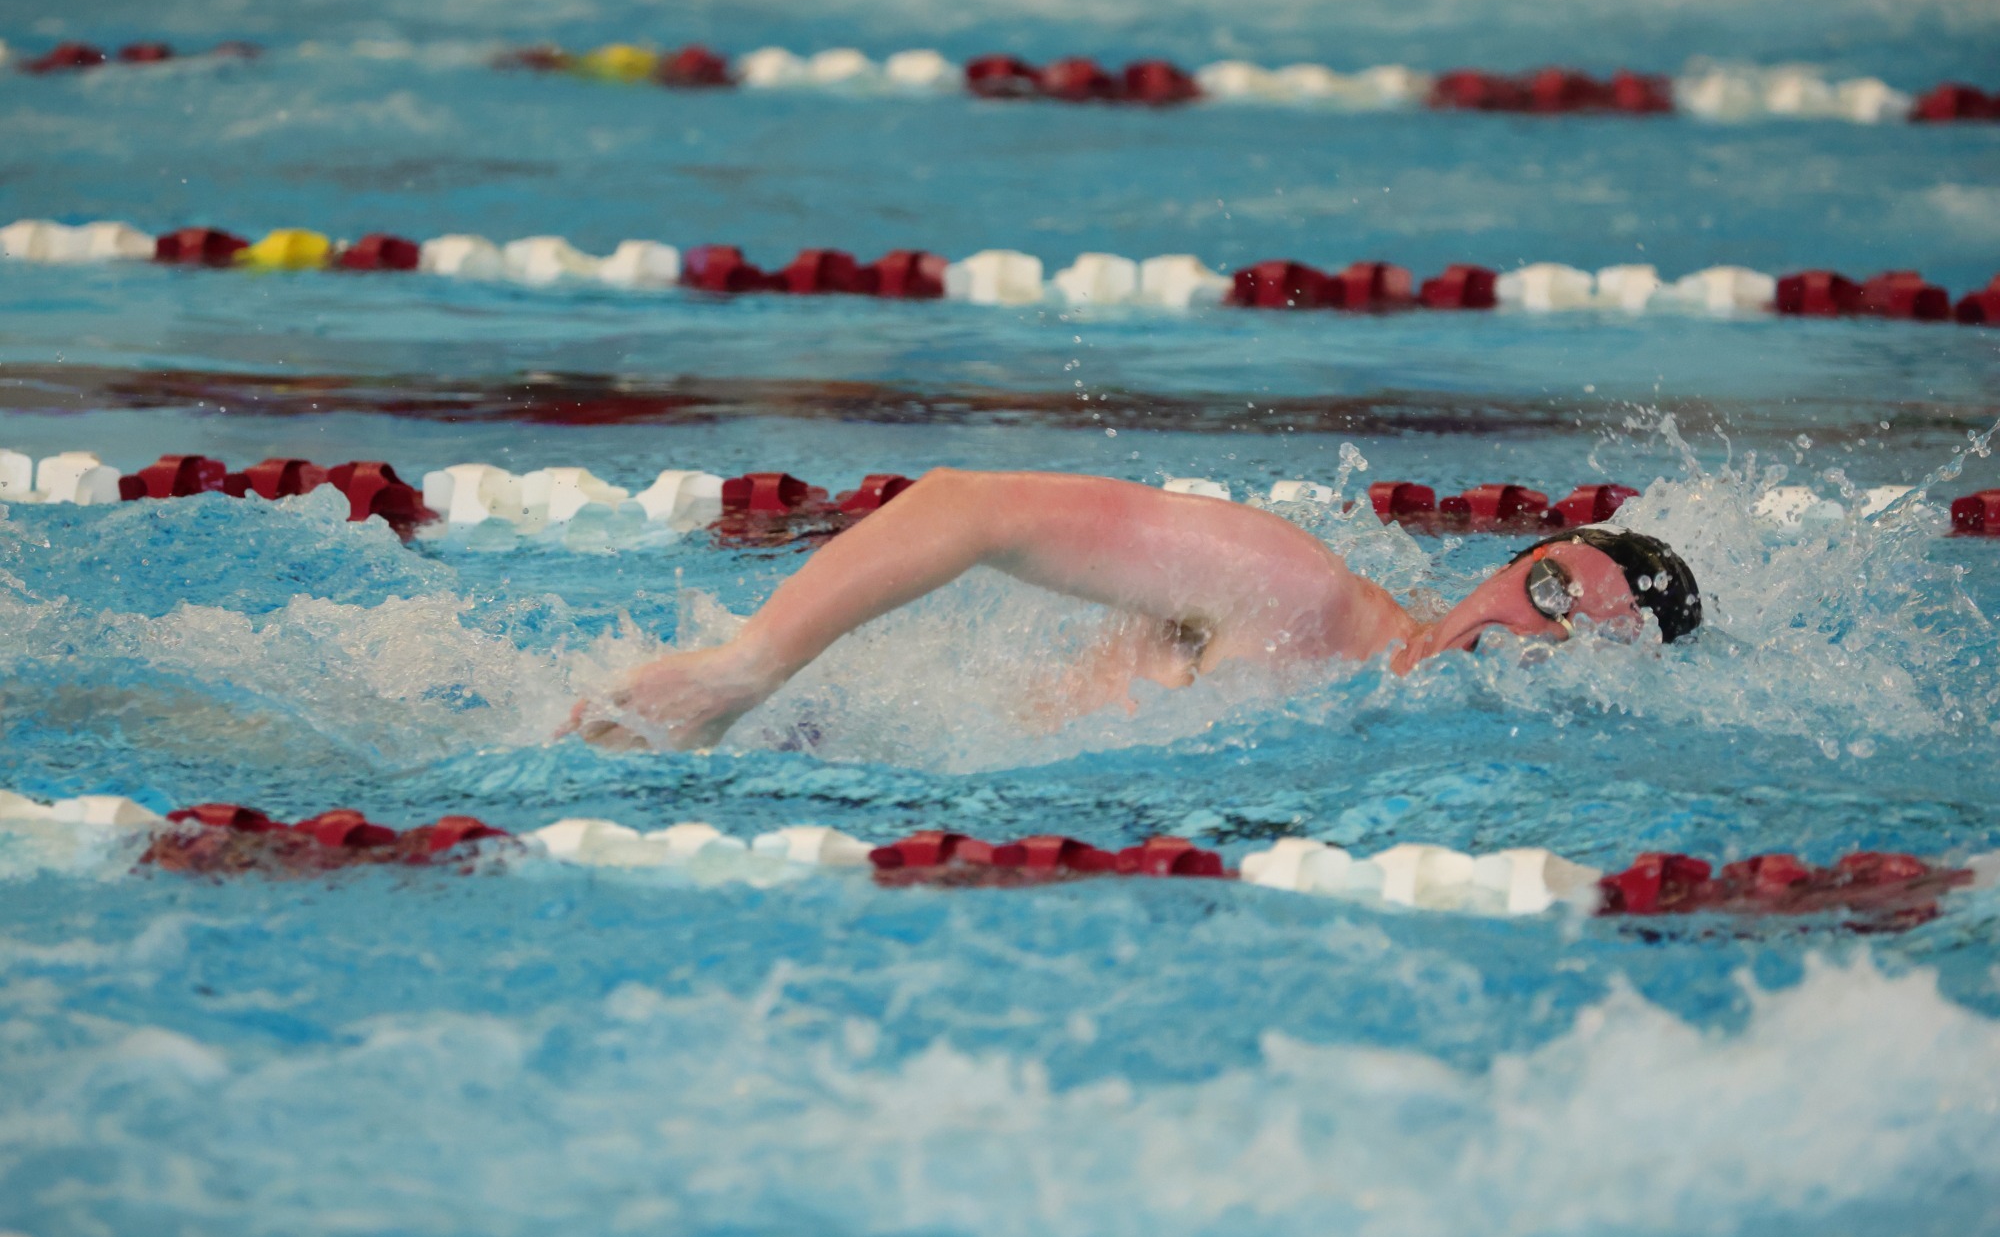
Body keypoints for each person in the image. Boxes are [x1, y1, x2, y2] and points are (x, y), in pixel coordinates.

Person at [567, 468, 1701, 750]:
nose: (1524, 626)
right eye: (1542, 584)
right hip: (781, 742)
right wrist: (745, 666)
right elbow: (968, 504)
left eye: (1570, 632)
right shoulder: (1293, 592)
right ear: (1507, 565)